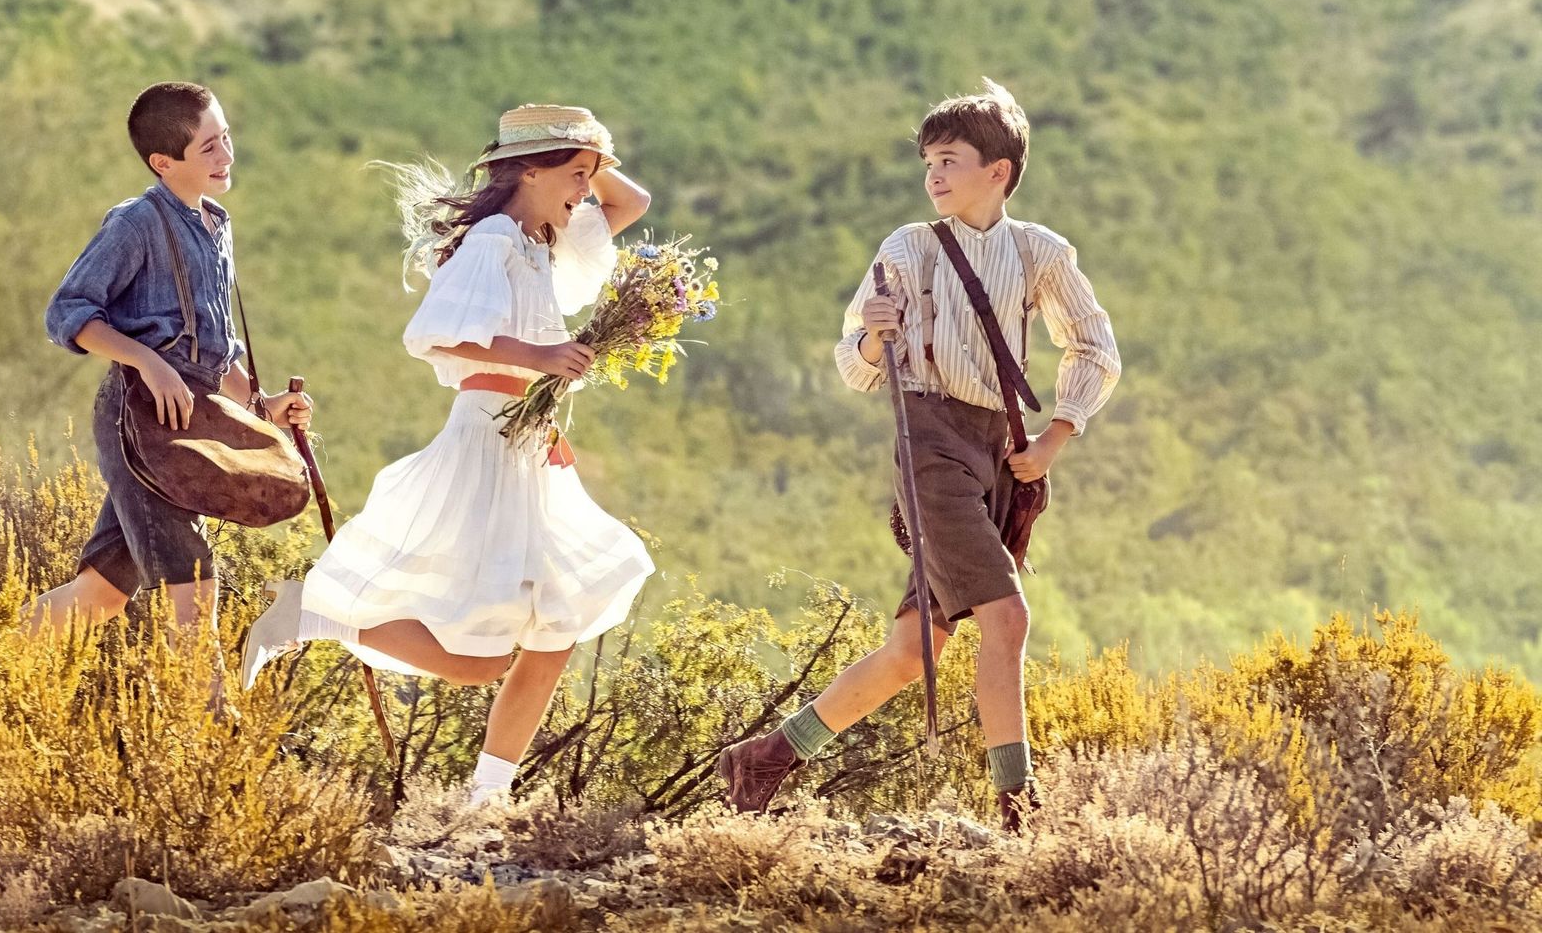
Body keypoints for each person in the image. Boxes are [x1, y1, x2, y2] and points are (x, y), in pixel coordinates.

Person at [715, 79, 1120, 832]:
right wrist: (874, 333)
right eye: (929, 162)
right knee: (1007, 618)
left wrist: (1055, 438)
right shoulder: (908, 247)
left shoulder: (1040, 251)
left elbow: (1094, 346)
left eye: (949, 161)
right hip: (928, 442)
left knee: (913, 650)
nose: (933, 175)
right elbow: (856, 366)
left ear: (998, 171)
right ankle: (1019, 808)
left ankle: (767, 756)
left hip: (1001, 450)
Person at [242, 104, 656, 806]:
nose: (587, 191)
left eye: (589, 177)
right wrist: (540, 356)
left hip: (530, 443)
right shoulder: (493, 238)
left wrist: (588, 151)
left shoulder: (542, 243)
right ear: (530, 170)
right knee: (484, 657)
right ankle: (312, 615)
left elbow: (631, 202)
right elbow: (434, 334)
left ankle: (488, 796)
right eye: (575, 175)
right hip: (488, 436)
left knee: (554, 629)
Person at [29, 81, 312, 662]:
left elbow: (214, 350)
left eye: (226, 138)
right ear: (163, 162)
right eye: (208, 147)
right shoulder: (135, 223)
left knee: (101, 595)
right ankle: (207, 715)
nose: (226, 155)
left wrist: (262, 406)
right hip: (141, 419)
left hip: (192, 422)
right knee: (193, 587)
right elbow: (68, 313)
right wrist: (146, 360)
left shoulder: (216, 225)